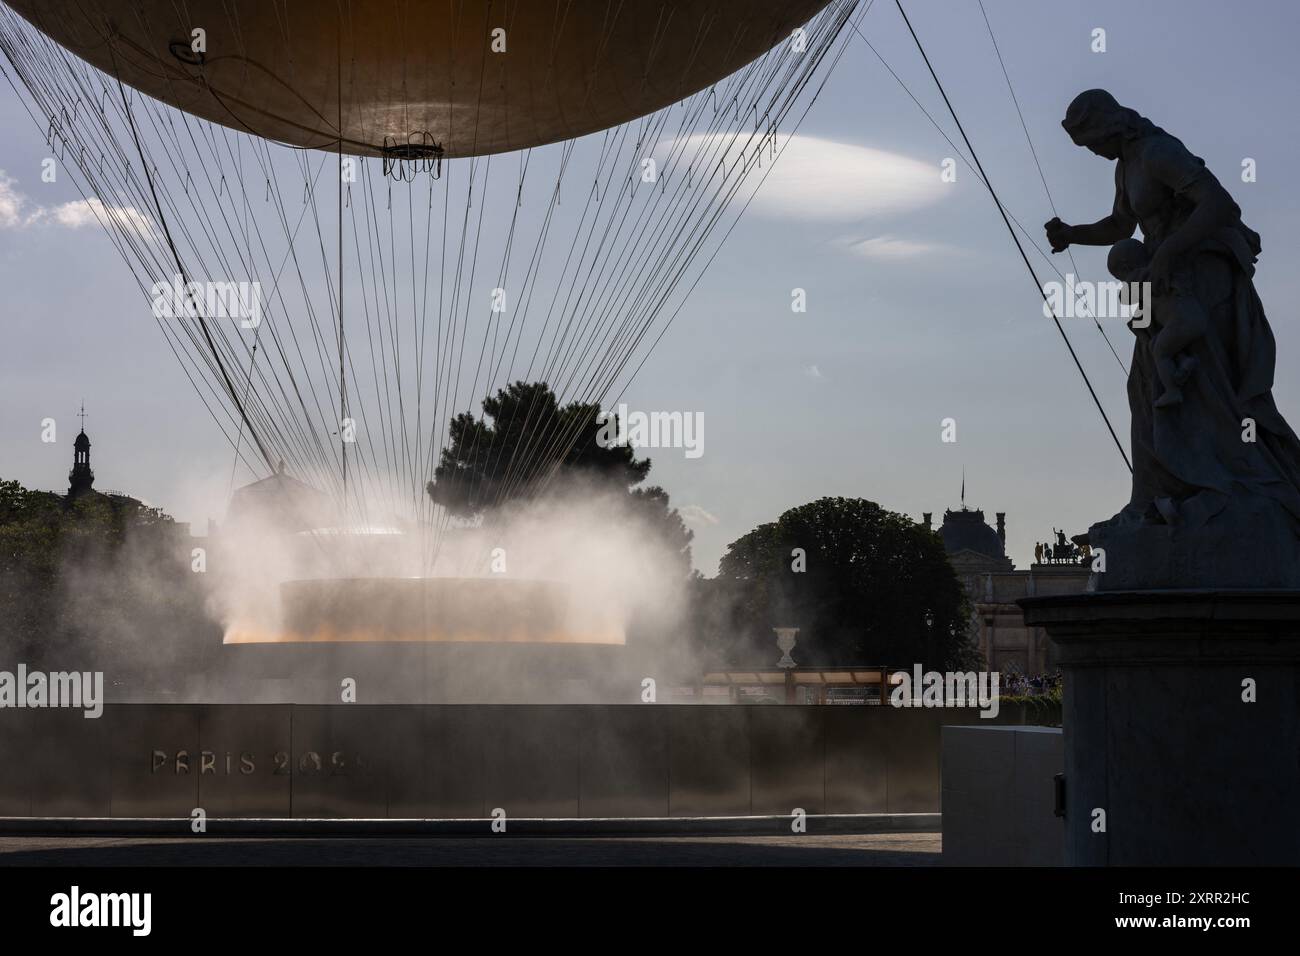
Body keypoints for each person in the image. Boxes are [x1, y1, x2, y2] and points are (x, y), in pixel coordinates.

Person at [1107, 237, 1205, 408]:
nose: (1123, 280)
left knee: (1160, 351)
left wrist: (1128, 285)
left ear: (1125, 266)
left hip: (1181, 321)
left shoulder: (1140, 275)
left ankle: (1173, 391)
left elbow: (1124, 298)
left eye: (1120, 276)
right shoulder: (1159, 270)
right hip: (1193, 315)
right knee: (1157, 344)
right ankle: (1183, 362)